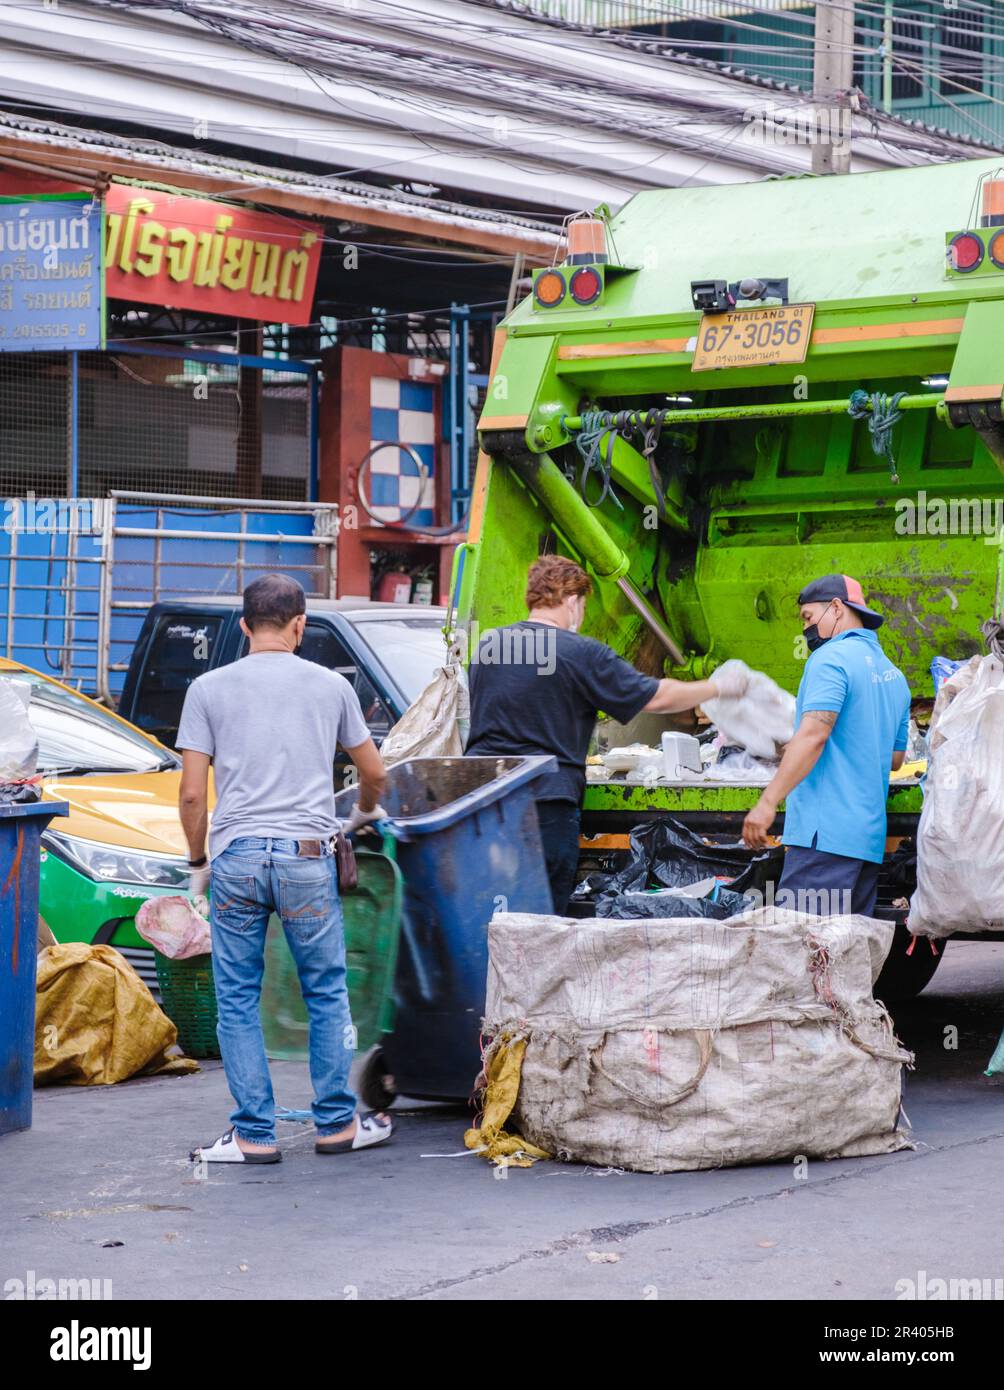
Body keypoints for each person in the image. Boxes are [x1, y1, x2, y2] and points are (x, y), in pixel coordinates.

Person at [177, 573, 392, 1164]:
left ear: (245, 626)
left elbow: (193, 795)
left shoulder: (207, 688)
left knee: (238, 998)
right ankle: (336, 1126)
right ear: (300, 625)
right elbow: (374, 775)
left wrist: (198, 861)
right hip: (306, 858)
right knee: (325, 991)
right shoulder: (330, 687)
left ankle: (253, 1134)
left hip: (237, 859)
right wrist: (360, 817)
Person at [465, 554, 748, 912]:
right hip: (544, 805)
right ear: (571, 602)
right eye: (582, 606)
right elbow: (658, 697)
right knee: (538, 921)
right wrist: (715, 687)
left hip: (482, 804)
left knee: (488, 909)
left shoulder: (490, 646)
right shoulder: (579, 652)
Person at [742, 574, 911, 918]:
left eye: (808, 617)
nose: (807, 628)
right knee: (846, 954)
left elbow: (815, 735)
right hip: (866, 842)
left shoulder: (829, 659)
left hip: (823, 840)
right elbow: (895, 759)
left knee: (801, 951)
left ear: (836, 608)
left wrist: (767, 801)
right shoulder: (894, 675)